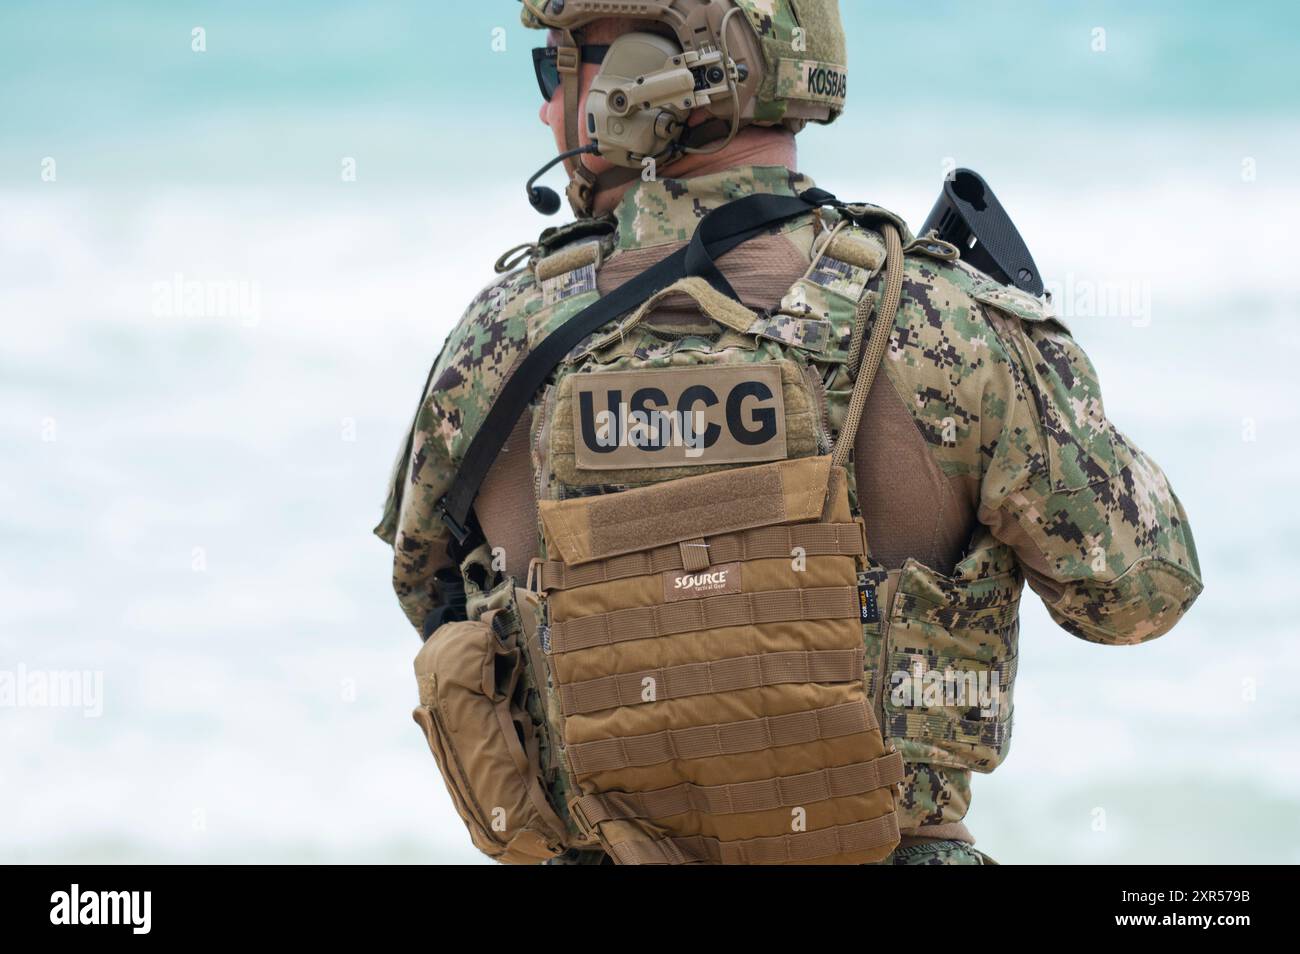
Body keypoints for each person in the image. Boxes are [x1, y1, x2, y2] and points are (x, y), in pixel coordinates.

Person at [376, 0, 1202, 865]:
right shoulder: (944, 323)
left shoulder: (496, 344)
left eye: (556, 70)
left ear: (639, 79)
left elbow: (428, 592)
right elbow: (1139, 597)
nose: (547, 108)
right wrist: (1035, 362)